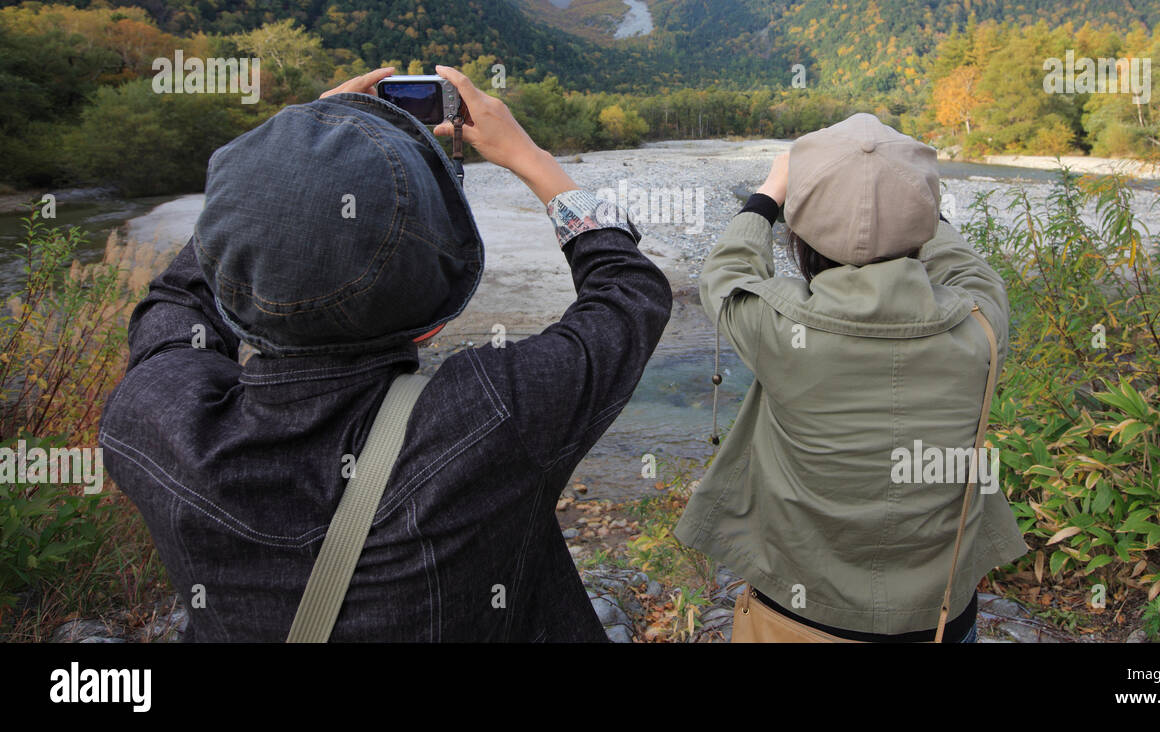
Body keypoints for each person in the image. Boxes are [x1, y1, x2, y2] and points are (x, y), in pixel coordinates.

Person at [100, 65, 673, 641]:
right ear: (432, 325)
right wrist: (531, 158)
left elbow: (176, 300)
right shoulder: (491, 416)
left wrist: (286, 159)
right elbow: (629, 294)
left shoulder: (154, 419)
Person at [674, 113, 1027, 642]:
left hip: (799, 610)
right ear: (923, 224)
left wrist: (769, 192)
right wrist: (903, 196)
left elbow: (725, 275)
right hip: (938, 616)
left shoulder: (778, 327)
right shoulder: (981, 322)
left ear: (802, 235)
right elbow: (966, 266)